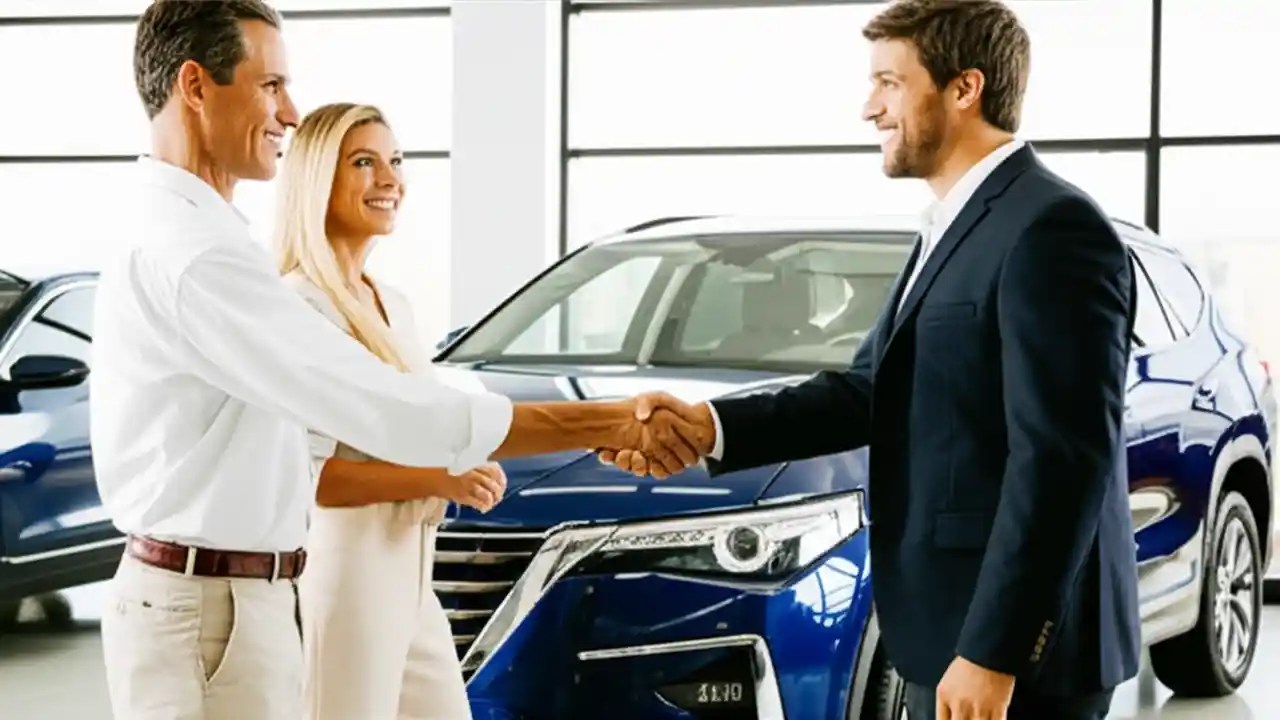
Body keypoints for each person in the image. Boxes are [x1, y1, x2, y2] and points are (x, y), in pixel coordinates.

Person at [92, 3, 698, 719]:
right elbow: (392, 411)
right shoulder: (199, 257)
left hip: (247, 597)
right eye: (271, 85)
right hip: (212, 607)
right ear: (195, 86)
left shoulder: (209, 241)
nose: (290, 110)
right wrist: (609, 421)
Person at [602, 1, 1140, 719]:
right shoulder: (956, 226)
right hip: (946, 632)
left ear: (964, 88)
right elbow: (868, 391)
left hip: (1012, 659)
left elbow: (1061, 461)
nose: (869, 108)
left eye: (889, 82)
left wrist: (994, 653)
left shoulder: (1051, 228)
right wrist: (707, 426)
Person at [274, 102, 485, 720]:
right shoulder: (301, 307)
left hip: (412, 577)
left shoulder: (392, 303)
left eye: (395, 161)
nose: (390, 179)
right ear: (317, 177)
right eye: (364, 162)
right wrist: (438, 480)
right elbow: (312, 478)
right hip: (347, 578)